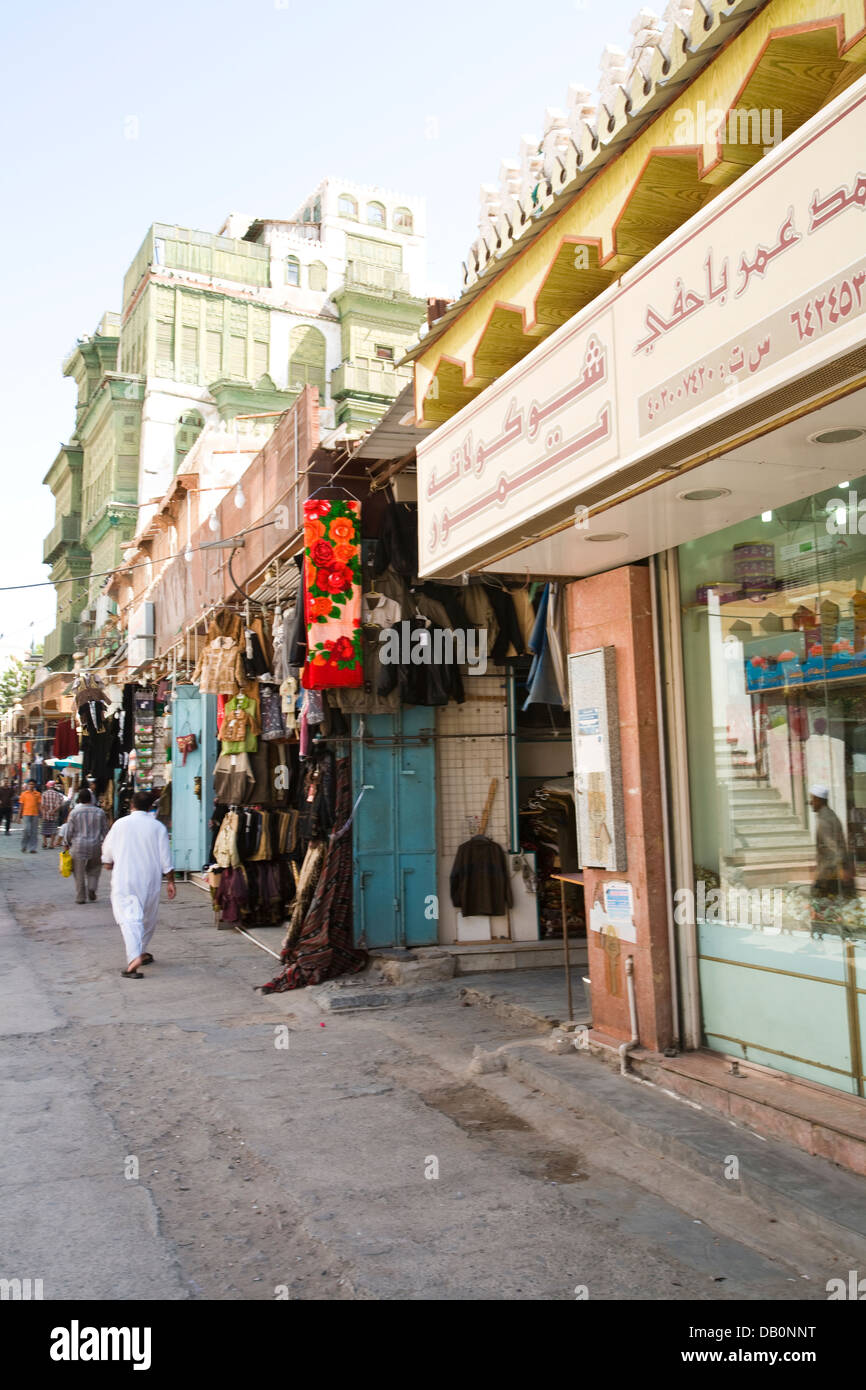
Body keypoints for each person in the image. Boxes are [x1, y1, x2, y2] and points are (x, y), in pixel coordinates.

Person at [101, 789, 176, 979]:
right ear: (150, 807)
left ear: (131, 805)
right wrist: (171, 881)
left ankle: (134, 957)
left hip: (125, 878)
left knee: (129, 918)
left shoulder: (120, 824)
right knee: (148, 917)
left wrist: (108, 861)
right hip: (150, 879)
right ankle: (140, 951)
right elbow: (165, 856)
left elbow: (107, 849)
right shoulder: (157, 827)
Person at [61, 788, 108, 904]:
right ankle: (92, 888)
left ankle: (81, 897)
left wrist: (66, 843)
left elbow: (69, 830)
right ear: (91, 799)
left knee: (78, 871)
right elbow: (105, 831)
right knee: (94, 868)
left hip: (78, 846)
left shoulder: (74, 813)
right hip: (96, 845)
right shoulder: (100, 812)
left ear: (79, 799)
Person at [18, 780, 41, 853]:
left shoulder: (37, 794)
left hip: (35, 814)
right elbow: (21, 805)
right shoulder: (24, 794)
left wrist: (41, 813)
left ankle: (32, 848)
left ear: (35, 785)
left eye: (33, 784)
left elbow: (39, 805)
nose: (31, 785)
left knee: (34, 832)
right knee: (26, 830)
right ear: (28, 785)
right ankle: (24, 846)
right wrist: (19, 816)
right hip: (26, 814)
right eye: (30, 784)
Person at [40, 780, 64, 849]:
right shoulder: (58, 794)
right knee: (53, 830)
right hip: (54, 815)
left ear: (47, 786)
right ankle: (51, 844)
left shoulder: (44, 794)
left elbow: (43, 805)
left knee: (44, 829)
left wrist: (48, 811)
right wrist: (53, 811)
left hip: (46, 815)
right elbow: (59, 805)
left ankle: (45, 842)